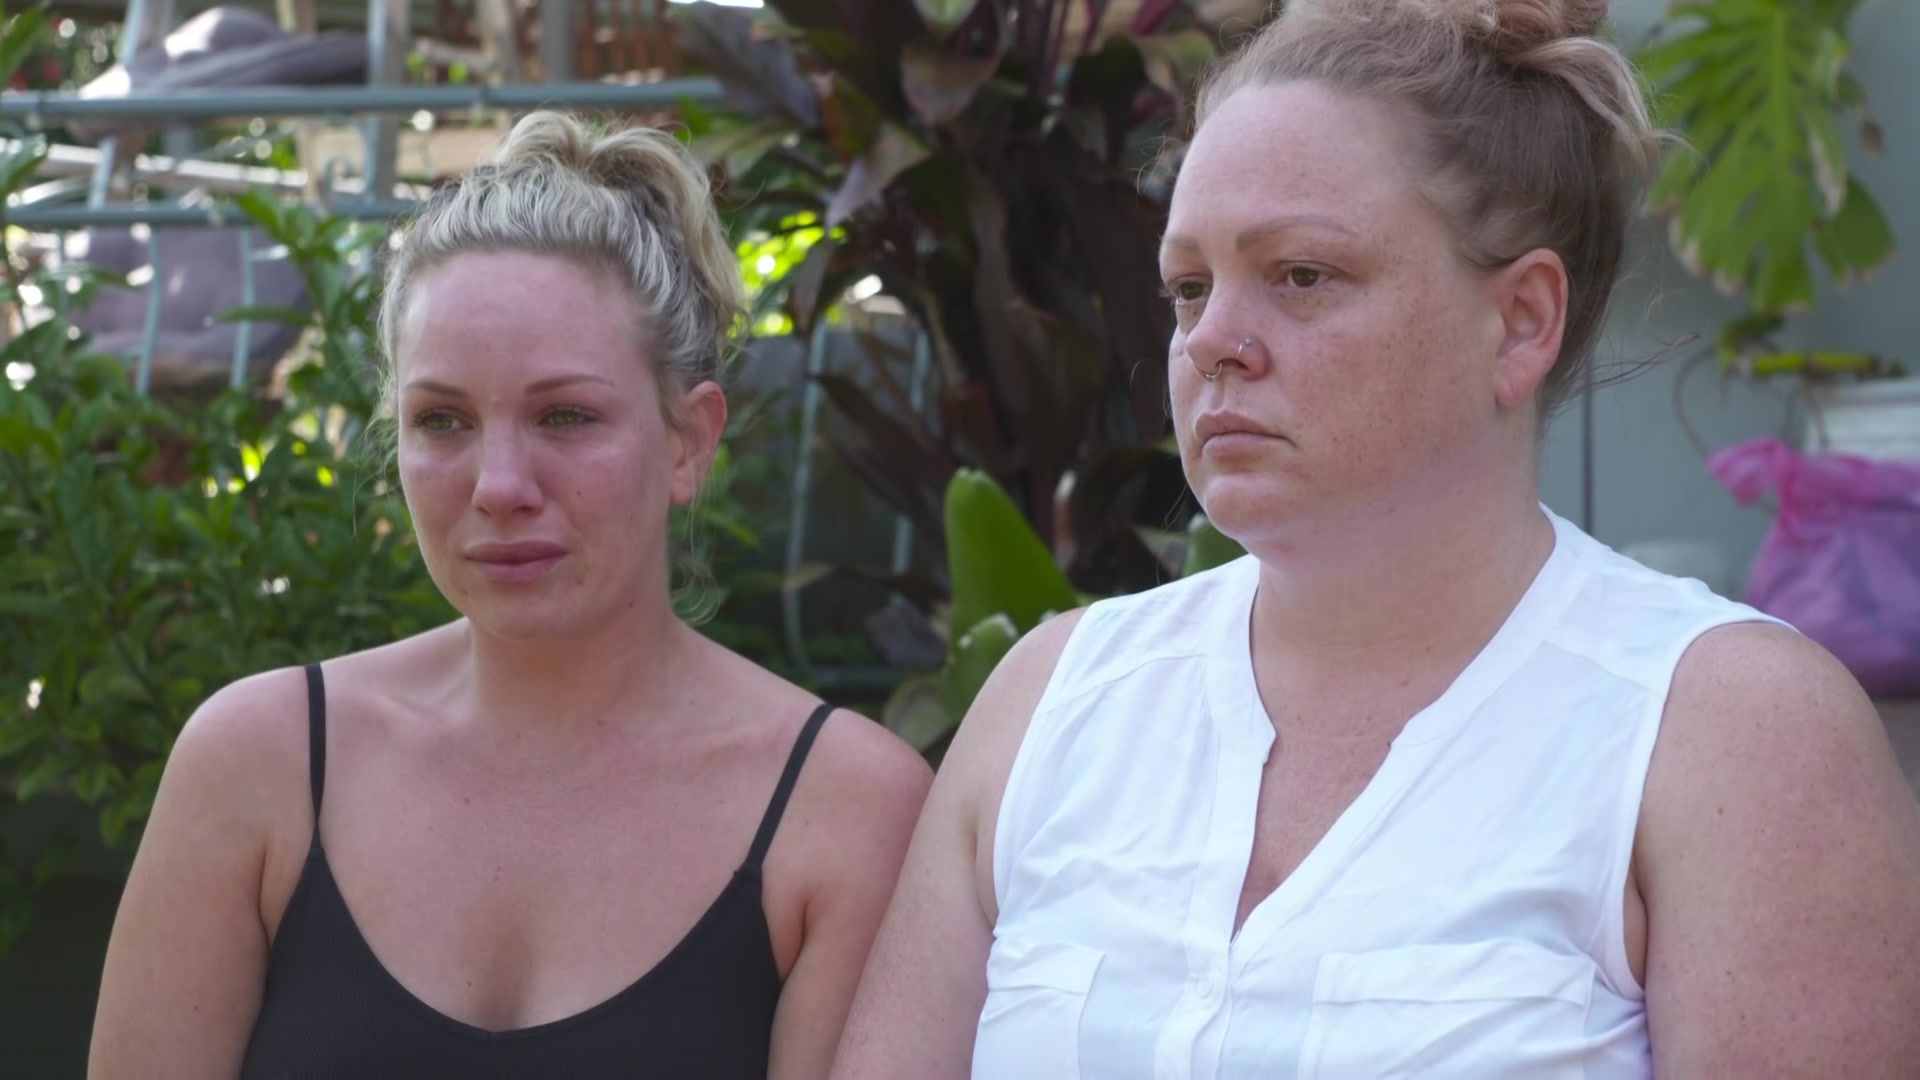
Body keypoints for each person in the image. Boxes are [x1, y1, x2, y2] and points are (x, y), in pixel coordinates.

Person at [833, 1, 1920, 1076]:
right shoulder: (1051, 702)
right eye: (1189, 287)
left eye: (1302, 274)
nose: (1212, 342)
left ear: (1523, 321)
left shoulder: (1724, 733)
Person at [88, 110, 932, 1079]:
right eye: (442, 420)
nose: (498, 485)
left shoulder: (845, 813)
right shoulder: (258, 764)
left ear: (690, 442)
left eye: (565, 416)